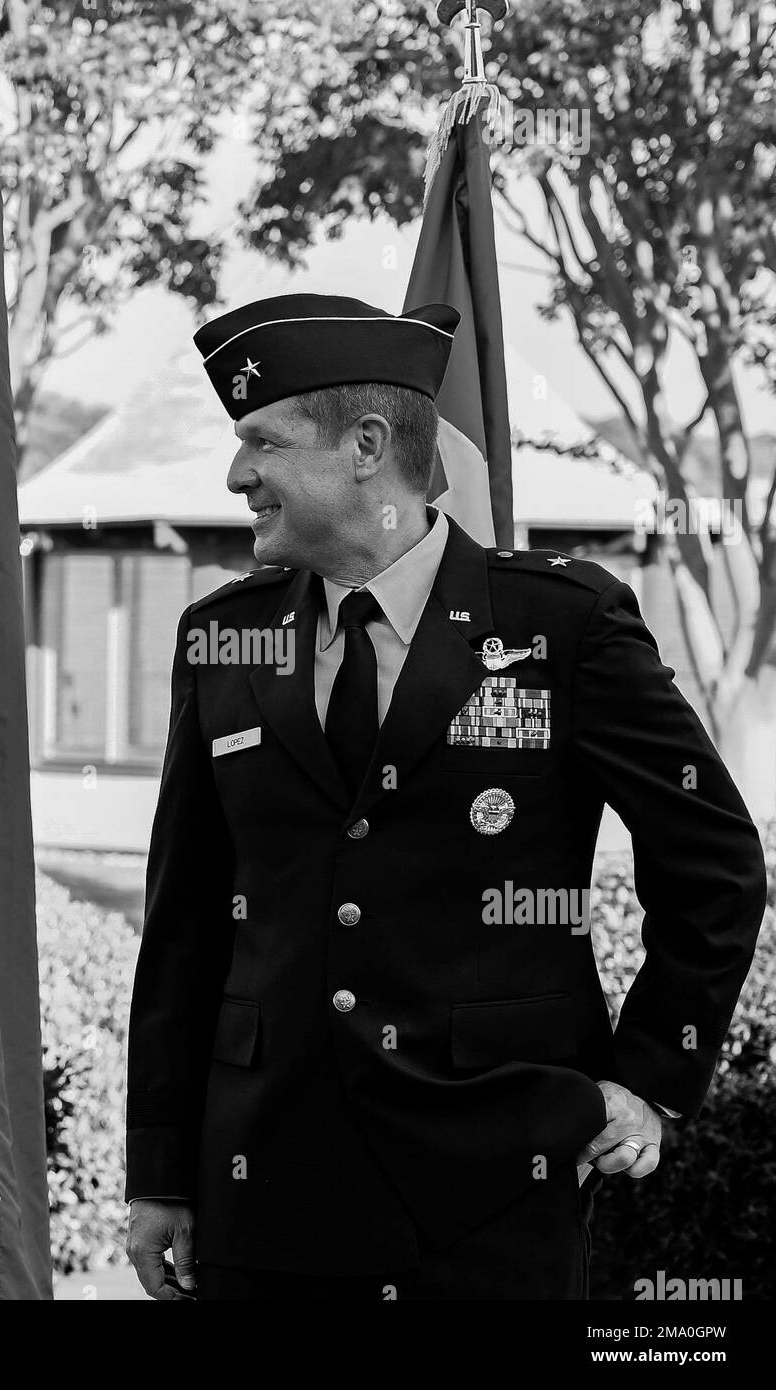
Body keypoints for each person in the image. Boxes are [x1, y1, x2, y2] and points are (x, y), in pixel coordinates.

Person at [124, 293, 767, 1300]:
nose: (236, 474)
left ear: (366, 446)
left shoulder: (562, 625)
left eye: (262, 442)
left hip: (489, 1193)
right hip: (266, 1184)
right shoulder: (222, 638)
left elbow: (714, 870)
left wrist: (646, 1082)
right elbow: (185, 921)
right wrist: (157, 1174)